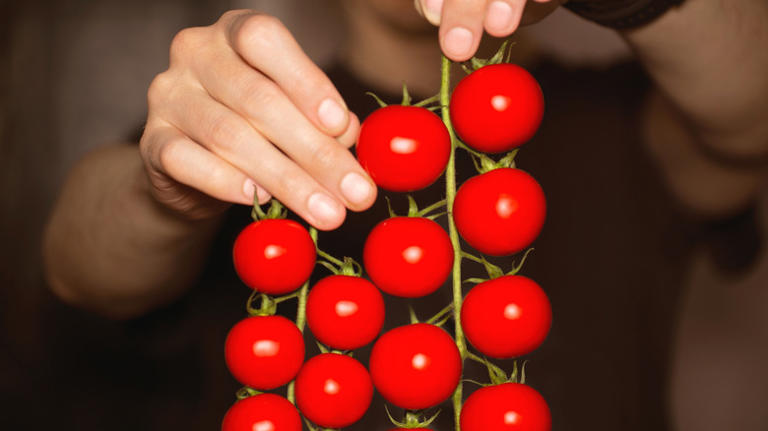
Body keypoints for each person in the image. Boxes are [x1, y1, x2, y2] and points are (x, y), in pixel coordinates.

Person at [40, 0, 768, 430]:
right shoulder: (262, 119)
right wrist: (161, 189)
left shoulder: (625, 116)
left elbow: (750, 113)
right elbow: (79, 268)